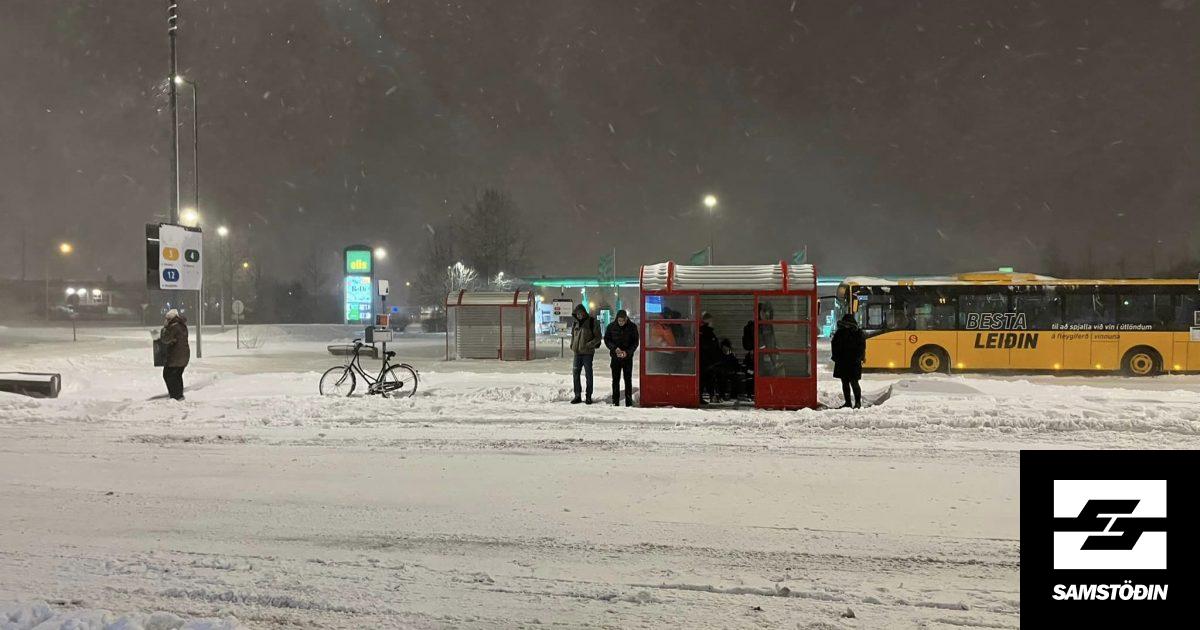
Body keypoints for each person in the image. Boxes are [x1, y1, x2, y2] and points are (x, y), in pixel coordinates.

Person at [603, 309, 639, 406]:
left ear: (626, 319)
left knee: (628, 380)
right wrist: (615, 348)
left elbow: (635, 342)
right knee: (615, 380)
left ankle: (628, 402)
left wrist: (627, 352)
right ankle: (615, 401)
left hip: (627, 358)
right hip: (615, 358)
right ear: (617, 319)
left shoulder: (632, 327)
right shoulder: (611, 327)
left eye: (623, 320)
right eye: (619, 320)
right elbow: (607, 339)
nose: (621, 322)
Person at [569, 303, 603, 404]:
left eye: (581, 313)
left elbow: (598, 337)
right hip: (577, 353)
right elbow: (573, 335)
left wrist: (590, 344)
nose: (579, 315)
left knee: (588, 374)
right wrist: (572, 345)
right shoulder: (575, 323)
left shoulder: (592, 322)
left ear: (584, 313)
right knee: (575, 374)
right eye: (577, 314)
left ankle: (588, 396)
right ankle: (577, 395)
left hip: (587, 353)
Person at [831, 312, 866, 408]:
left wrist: (859, 358)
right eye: (845, 324)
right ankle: (849, 403)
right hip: (845, 362)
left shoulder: (844, 333)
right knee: (846, 383)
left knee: (853, 382)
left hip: (851, 362)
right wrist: (836, 357)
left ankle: (857, 403)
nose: (846, 326)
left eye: (848, 324)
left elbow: (861, 347)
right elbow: (834, 345)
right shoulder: (854, 333)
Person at [160, 308, 190, 401]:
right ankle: (179, 395)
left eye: (167, 319)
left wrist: (164, 329)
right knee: (177, 376)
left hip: (175, 357)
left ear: (171, 319)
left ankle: (174, 395)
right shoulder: (182, 325)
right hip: (184, 356)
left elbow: (165, 339)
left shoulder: (173, 327)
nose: (166, 320)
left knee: (167, 375)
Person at [698, 311, 720, 402]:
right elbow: (706, 346)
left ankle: (711, 396)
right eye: (711, 320)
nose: (713, 322)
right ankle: (702, 397)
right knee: (705, 379)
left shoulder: (708, 331)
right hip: (706, 360)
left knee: (708, 379)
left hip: (708, 360)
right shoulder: (704, 332)